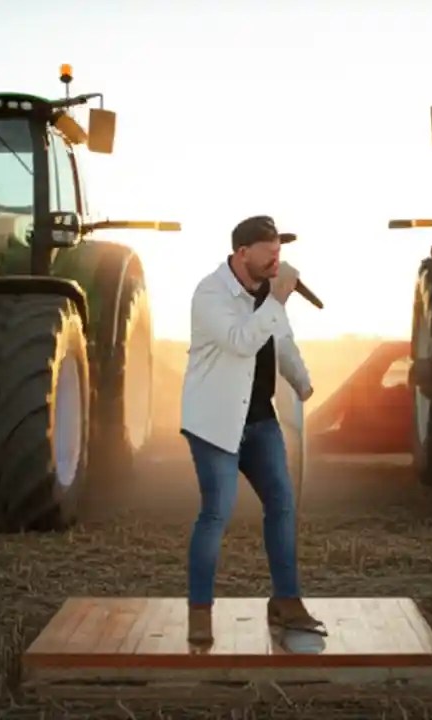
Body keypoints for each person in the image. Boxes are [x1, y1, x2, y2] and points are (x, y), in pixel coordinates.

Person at [179, 214, 325, 645]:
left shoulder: (267, 294)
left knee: (282, 505)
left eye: (280, 250)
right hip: (215, 424)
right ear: (243, 253)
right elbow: (241, 341)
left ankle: (286, 600)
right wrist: (277, 301)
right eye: (270, 251)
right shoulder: (210, 293)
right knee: (217, 512)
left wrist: (301, 380)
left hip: (260, 421)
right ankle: (200, 611)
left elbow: (281, 342)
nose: (277, 258)